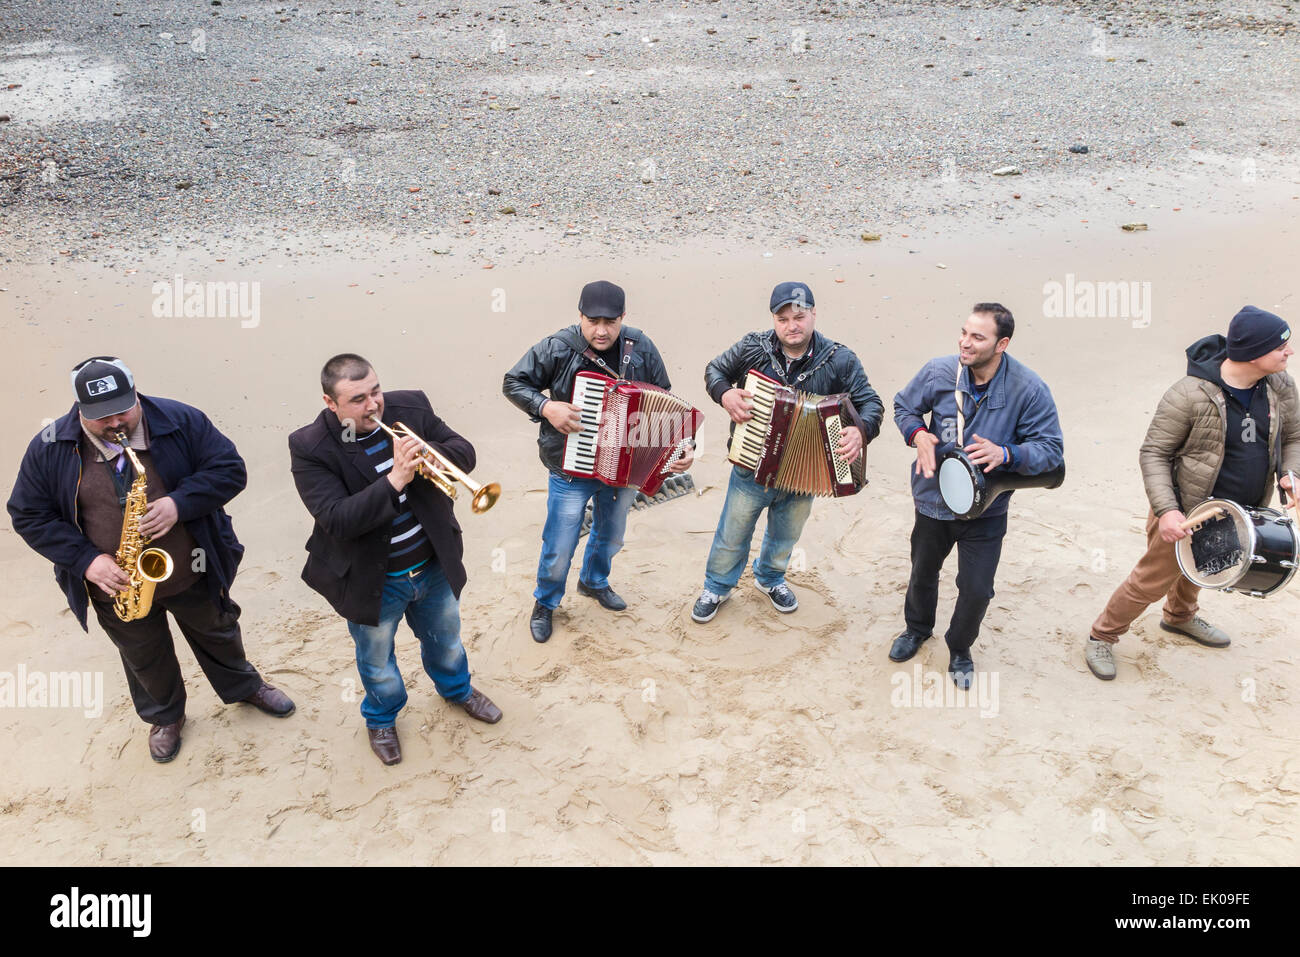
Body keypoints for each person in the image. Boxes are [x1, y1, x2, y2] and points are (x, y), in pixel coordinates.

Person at [7, 357, 293, 764]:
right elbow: (28, 514)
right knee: (143, 654)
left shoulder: (180, 419)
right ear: (78, 410)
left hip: (191, 564)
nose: (115, 424)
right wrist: (86, 561)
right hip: (116, 581)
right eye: (101, 418)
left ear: (135, 393)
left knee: (218, 630)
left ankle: (244, 687)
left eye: (122, 410)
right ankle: (165, 717)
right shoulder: (49, 447)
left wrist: (179, 503)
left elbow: (229, 470)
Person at [289, 354, 501, 766]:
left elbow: (465, 452)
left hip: (432, 562)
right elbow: (336, 519)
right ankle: (382, 718)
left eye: (375, 391)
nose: (373, 406)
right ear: (330, 403)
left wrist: (434, 451)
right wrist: (396, 479)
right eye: (357, 399)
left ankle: (458, 690)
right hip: (373, 576)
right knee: (377, 659)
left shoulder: (411, 408)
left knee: (446, 641)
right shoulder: (310, 447)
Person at [1085, 307, 1298, 680]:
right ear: (1253, 352)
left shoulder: (1280, 386)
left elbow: (1293, 435)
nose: (1289, 352)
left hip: (1239, 510)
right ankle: (1102, 635)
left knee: (1200, 570)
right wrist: (1167, 511)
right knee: (1151, 581)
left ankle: (1179, 617)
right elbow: (1153, 453)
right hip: (1187, 510)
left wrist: (1290, 473)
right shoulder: (1189, 395)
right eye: (1281, 346)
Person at [503, 280, 692, 643]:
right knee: (559, 542)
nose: (601, 330)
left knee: (611, 534)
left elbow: (665, 400)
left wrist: (679, 447)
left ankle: (593, 581)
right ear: (580, 316)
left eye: (610, 322)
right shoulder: (558, 347)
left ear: (623, 317)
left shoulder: (641, 347)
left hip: (624, 468)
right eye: (593, 321)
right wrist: (546, 407)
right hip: (569, 466)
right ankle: (545, 602)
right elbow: (513, 382)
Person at [890, 303, 1064, 689]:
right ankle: (917, 629)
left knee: (977, 588)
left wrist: (1008, 454)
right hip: (932, 501)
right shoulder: (938, 371)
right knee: (922, 573)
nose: (965, 343)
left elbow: (1052, 451)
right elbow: (903, 406)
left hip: (987, 510)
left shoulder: (1029, 388)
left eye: (977, 337)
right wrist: (918, 435)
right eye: (964, 333)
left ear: (1001, 344)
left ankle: (960, 647)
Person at [691, 281, 883, 622]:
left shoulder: (839, 359)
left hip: (804, 471)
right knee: (732, 531)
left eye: (799, 316)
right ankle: (717, 586)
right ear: (774, 320)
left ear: (813, 314)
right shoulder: (754, 347)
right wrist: (725, 394)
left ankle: (770, 579)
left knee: (786, 534)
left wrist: (861, 430)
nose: (791, 326)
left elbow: (871, 403)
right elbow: (714, 370)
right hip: (751, 464)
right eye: (783, 319)